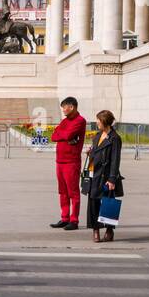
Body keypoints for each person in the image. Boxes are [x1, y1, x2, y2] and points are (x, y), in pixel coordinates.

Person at [84, 109, 124, 243]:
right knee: (93, 202)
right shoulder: (97, 135)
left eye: (98, 120)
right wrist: (91, 152)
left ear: (105, 122)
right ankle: (96, 230)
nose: (97, 123)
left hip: (106, 176)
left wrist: (112, 179)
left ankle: (109, 230)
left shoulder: (115, 138)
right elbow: (97, 150)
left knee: (108, 203)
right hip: (94, 174)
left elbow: (115, 160)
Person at [49, 96, 86, 231]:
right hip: (60, 161)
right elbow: (54, 136)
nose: (63, 109)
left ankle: (74, 220)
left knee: (73, 192)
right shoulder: (65, 121)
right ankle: (65, 218)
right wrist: (64, 136)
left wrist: (64, 136)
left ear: (72, 107)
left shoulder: (80, 121)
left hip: (71, 161)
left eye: (65, 107)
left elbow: (68, 135)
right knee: (63, 191)